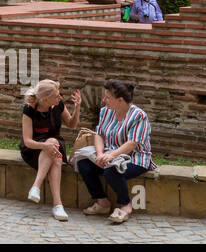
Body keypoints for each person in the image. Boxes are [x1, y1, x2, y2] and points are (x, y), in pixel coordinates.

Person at [76, 79, 157, 224]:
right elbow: (99, 134)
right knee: (83, 164)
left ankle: (125, 206)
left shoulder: (139, 116)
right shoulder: (105, 111)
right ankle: (102, 203)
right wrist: (100, 154)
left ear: (120, 100)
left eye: (108, 97)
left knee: (112, 171)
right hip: (109, 153)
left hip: (136, 158)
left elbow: (132, 143)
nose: (104, 100)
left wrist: (111, 156)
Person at [19, 79, 80, 222]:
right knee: (55, 154)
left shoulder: (58, 105)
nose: (60, 98)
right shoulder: (29, 109)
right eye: (57, 96)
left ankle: (36, 187)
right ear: (46, 99)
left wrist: (77, 108)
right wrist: (44, 146)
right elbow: (27, 141)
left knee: (53, 145)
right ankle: (57, 205)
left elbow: (71, 124)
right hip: (34, 148)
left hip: (54, 144)